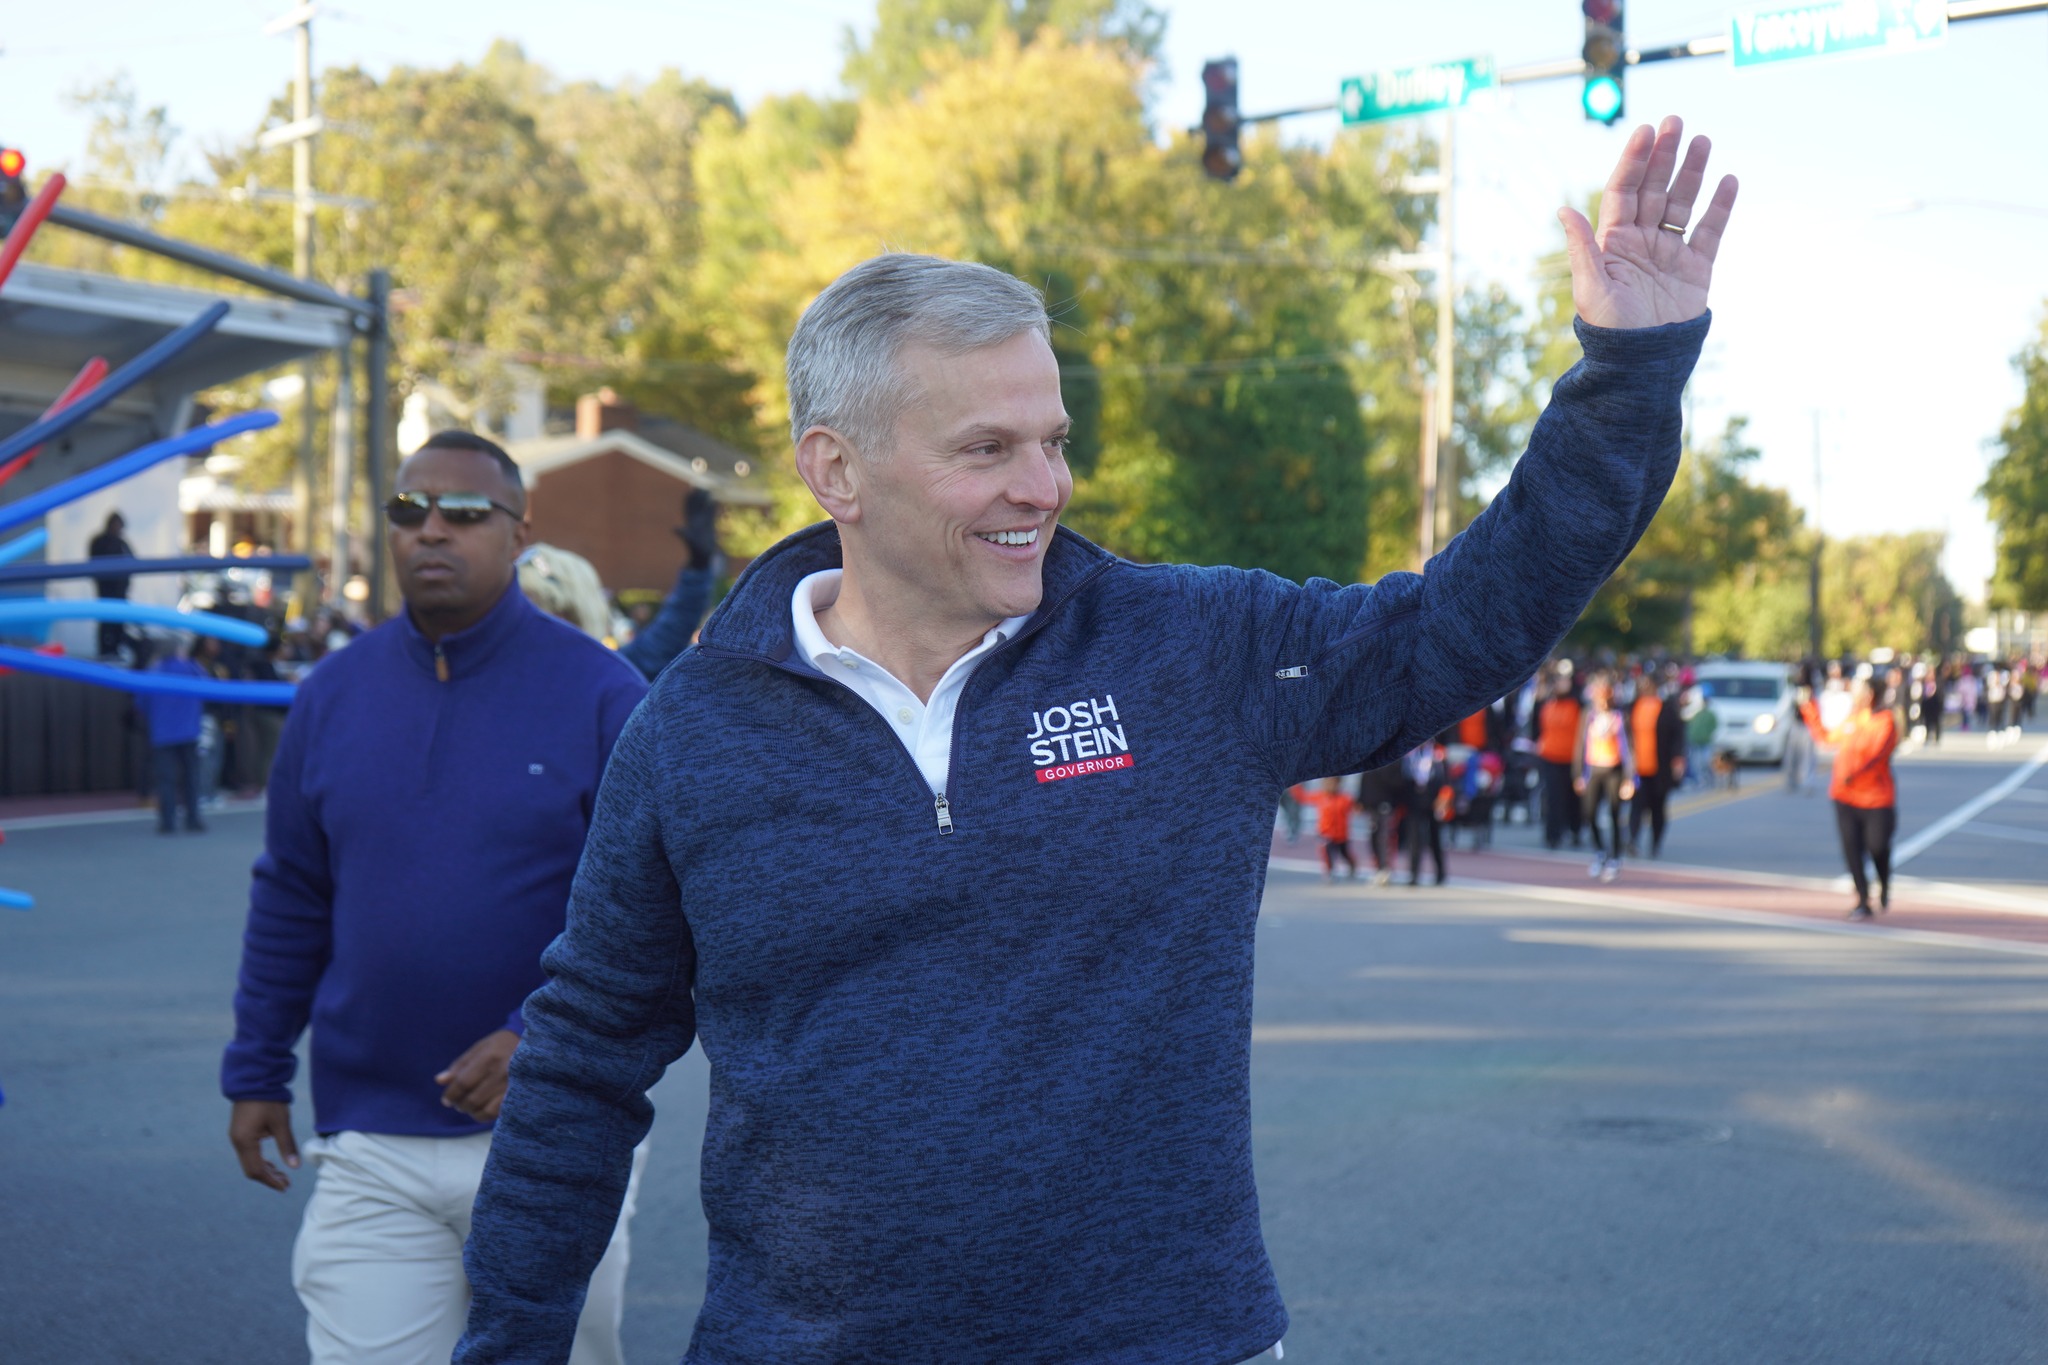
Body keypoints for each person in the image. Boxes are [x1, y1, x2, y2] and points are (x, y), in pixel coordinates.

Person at [457, 116, 1739, 1365]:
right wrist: (509, 1345)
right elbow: (579, 1066)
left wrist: (1625, 376)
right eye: (986, 449)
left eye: (1052, 440)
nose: (1043, 485)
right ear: (834, 473)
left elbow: (1466, 617)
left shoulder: (1193, 647)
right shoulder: (697, 727)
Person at [221, 431, 651, 1365]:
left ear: (518, 533)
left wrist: (537, 1037)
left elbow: (651, 920)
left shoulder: (604, 694)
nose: (431, 532)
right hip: (371, 1135)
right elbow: (293, 893)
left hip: (555, 1133)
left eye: (464, 514)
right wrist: (256, 1067)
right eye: (408, 511)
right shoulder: (332, 693)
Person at [1800, 677, 1902, 920]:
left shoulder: (1885, 721)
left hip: (1876, 798)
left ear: (1872, 694)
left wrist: (1854, 773)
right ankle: (1863, 899)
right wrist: (1809, 707)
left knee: (1877, 847)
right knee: (1852, 850)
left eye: (1861, 690)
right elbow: (1826, 738)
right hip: (1845, 797)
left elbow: (1878, 754)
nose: (1856, 694)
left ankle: (1884, 881)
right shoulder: (1852, 720)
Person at [141, 642, 208, 834]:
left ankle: (167, 821)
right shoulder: (193, 668)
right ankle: (193, 819)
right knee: (191, 777)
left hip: (162, 732)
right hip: (189, 729)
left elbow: (141, 701)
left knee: (165, 779)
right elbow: (208, 689)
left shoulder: (154, 671)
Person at [1575, 677, 1635, 882]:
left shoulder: (1620, 717)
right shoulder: (1588, 716)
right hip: (1593, 770)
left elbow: (1629, 750)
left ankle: (1616, 857)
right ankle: (1600, 851)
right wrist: (1578, 775)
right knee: (1589, 813)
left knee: (1614, 814)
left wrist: (1629, 779)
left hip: (1614, 770)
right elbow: (1580, 746)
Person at [1626, 668, 1686, 856]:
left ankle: (1655, 843)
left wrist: (1677, 760)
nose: (1645, 687)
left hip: (1660, 769)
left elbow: (1678, 736)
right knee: (1636, 807)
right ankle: (1633, 840)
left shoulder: (1666, 708)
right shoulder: (1632, 707)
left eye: (1648, 684)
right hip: (1637, 769)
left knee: (1657, 808)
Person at [1536, 664, 1585, 848]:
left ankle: (1575, 829)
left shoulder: (1577, 705)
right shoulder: (1547, 704)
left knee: (1573, 798)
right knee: (1553, 797)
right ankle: (1552, 835)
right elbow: (1538, 727)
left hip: (1572, 759)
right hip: (1550, 757)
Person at [1404, 735, 1451, 886]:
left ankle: (1440, 873)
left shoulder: (1439, 752)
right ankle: (1413, 874)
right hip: (1415, 798)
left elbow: (1447, 779)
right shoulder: (1409, 752)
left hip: (1434, 797)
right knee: (1414, 838)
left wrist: (1444, 798)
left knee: (1435, 838)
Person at [88, 510, 135, 658]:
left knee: (118, 622)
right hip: (106, 591)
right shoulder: (99, 542)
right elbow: (94, 564)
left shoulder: (122, 543)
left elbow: (134, 562)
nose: (118, 529)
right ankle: (105, 652)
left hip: (121, 592)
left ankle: (116, 650)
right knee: (106, 622)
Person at [1297, 776, 1359, 881]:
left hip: (1342, 834)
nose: (1330, 786)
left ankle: (1352, 864)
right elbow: (1303, 798)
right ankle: (1329, 871)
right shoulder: (1320, 796)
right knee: (1327, 852)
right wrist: (1294, 785)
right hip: (1326, 833)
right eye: (1327, 783)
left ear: (1339, 784)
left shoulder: (1345, 798)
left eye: (1333, 783)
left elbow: (1357, 808)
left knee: (1345, 853)